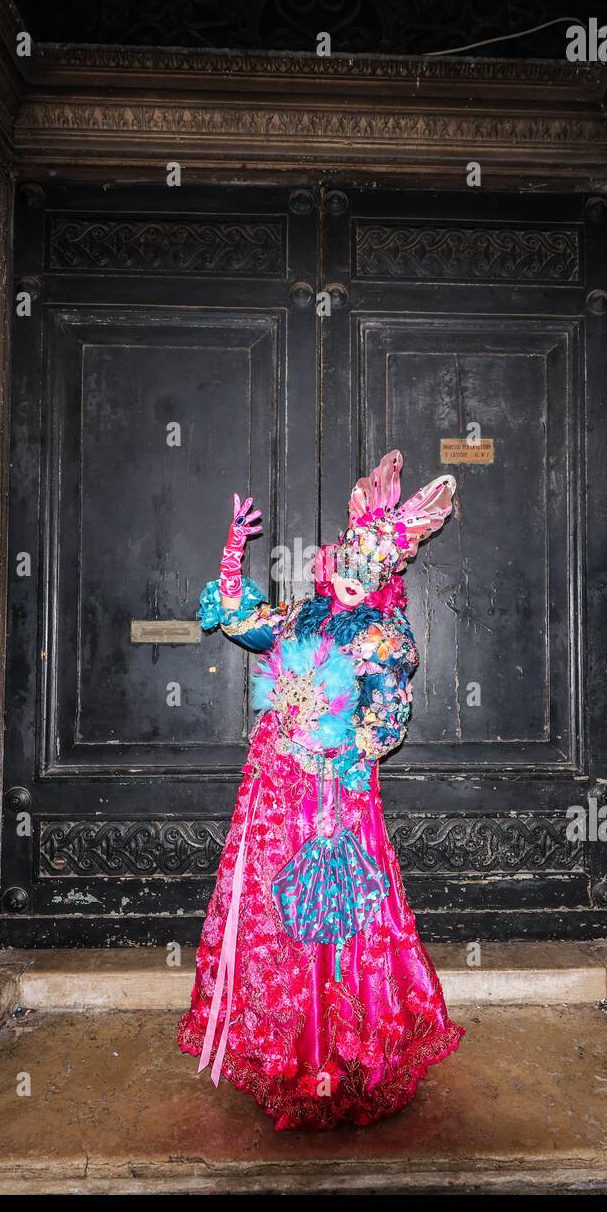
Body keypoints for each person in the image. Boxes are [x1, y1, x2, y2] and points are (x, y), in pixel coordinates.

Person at [177, 451, 464, 1128]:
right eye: (350, 552)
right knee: (279, 913)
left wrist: (349, 756)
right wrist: (231, 558)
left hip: (337, 794)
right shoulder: (303, 615)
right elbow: (244, 623)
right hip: (278, 793)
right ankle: (288, 1048)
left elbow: (389, 715)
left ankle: (342, 1052)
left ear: (389, 566)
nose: (354, 565)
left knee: (337, 910)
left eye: (371, 557)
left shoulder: (384, 636)